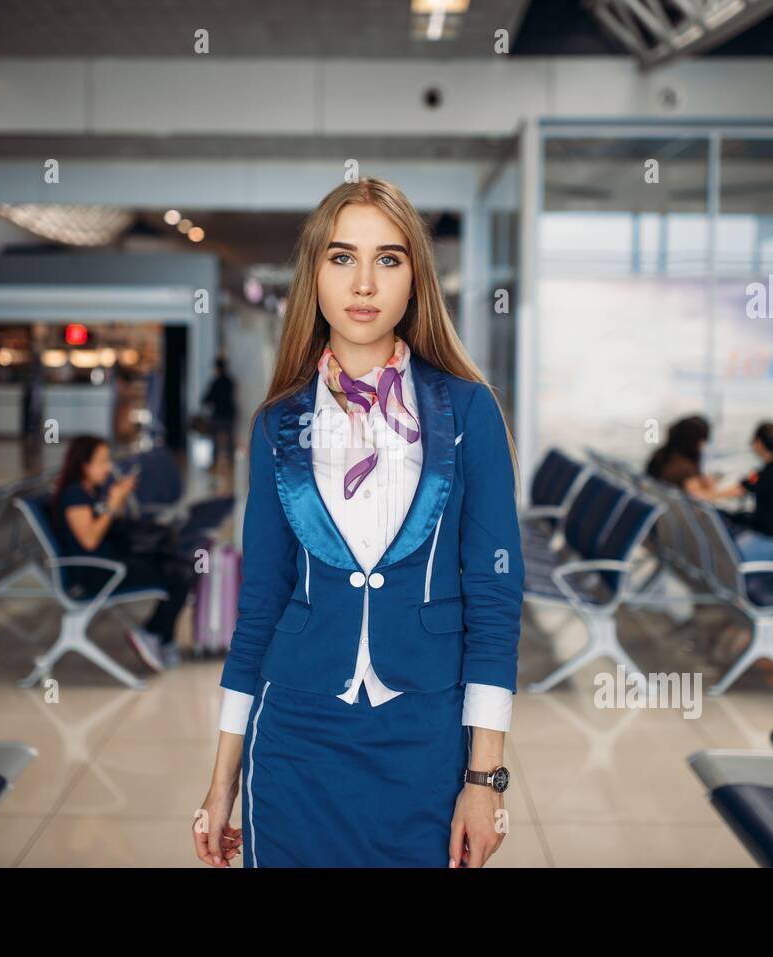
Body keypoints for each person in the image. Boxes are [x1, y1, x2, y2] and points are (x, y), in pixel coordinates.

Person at [193, 177, 524, 869]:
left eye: (390, 259)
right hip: (294, 740)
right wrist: (222, 777)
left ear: (415, 282)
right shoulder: (279, 424)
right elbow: (259, 609)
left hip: (425, 740)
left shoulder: (468, 414)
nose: (365, 282)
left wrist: (484, 777)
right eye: (342, 257)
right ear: (314, 275)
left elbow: (494, 603)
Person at [52, 435, 193, 672]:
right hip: (96, 572)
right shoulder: (75, 495)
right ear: (83, 465)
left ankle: (162, 637)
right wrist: (111, 502)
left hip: (110, 562)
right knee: (178, 575)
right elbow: (89, 540)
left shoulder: (91, 490)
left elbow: (107, 527)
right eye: (101, 461)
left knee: (181, 566)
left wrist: (116, 499)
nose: (108, 466)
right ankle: (152, 633)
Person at [704, 421, 773, 563]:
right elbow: (747, 483)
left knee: (725, 561)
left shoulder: (768, 473)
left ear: (760, 443)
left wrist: (705, 495)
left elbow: (739, 489)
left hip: (769, 538)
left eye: (754, 440)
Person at [646, 415, 715, 496]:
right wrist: (730, 492)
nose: (703, 445)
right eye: (703, 440)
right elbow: (697, 497)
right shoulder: (683, 467)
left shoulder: (661, 454)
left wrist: (700, 481)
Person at [200, 357, 238, 470]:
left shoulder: (215, 382)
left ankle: (215, 462)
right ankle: (231, 463)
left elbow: (206, 399)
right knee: (230, 440)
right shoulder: (230, 381)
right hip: (229, 414)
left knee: (215, 440)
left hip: (218, 415)